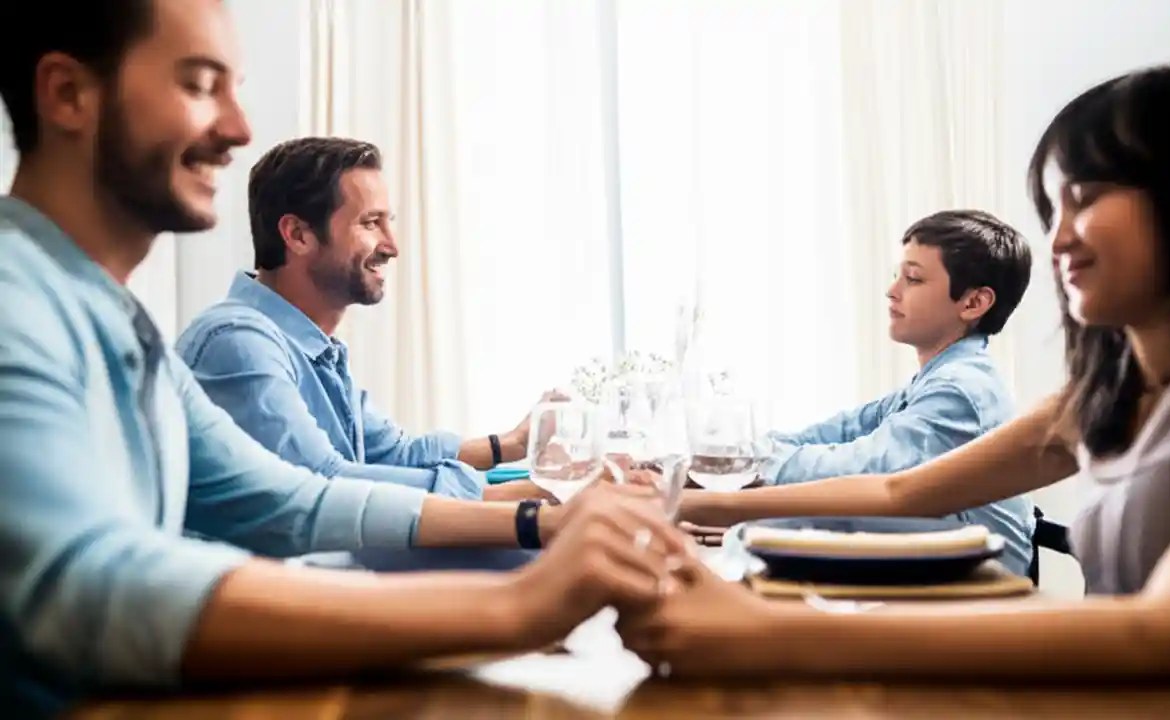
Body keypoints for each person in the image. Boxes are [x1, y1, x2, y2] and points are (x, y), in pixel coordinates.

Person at [0, 1, 685, 715]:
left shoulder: (119, 321)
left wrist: (537, 522)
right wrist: (514, 606)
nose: (238, 129)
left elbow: (298, 499)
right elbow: (85, 587)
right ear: (68, 95)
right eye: (201, 86)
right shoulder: (16, 300)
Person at [625, 61, 1170, 694]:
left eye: (1083, 200)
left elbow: (1164, 632)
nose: (1058, 242)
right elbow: (900, 491)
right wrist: (679, 503)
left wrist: (775, 631)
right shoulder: (1106, 394)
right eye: (1052, 212)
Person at [175, 137, 553, 511]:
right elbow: (324, 483)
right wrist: (520, 496)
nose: (392, 245)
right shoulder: (239, 342)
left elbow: (395, 454)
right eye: (371, 223)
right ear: (298, 235)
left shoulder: (314, 347)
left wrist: (513, 444)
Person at [761, 209, 1034, 572]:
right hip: (940, 576)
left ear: (973, 303)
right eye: (896, 276)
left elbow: (865, 469)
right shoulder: (937, 378)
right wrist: (743, 455)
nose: (892, 291)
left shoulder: (960, 390)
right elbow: (844, 431)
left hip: (982, 601)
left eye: (913, 279)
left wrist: (755, 463)